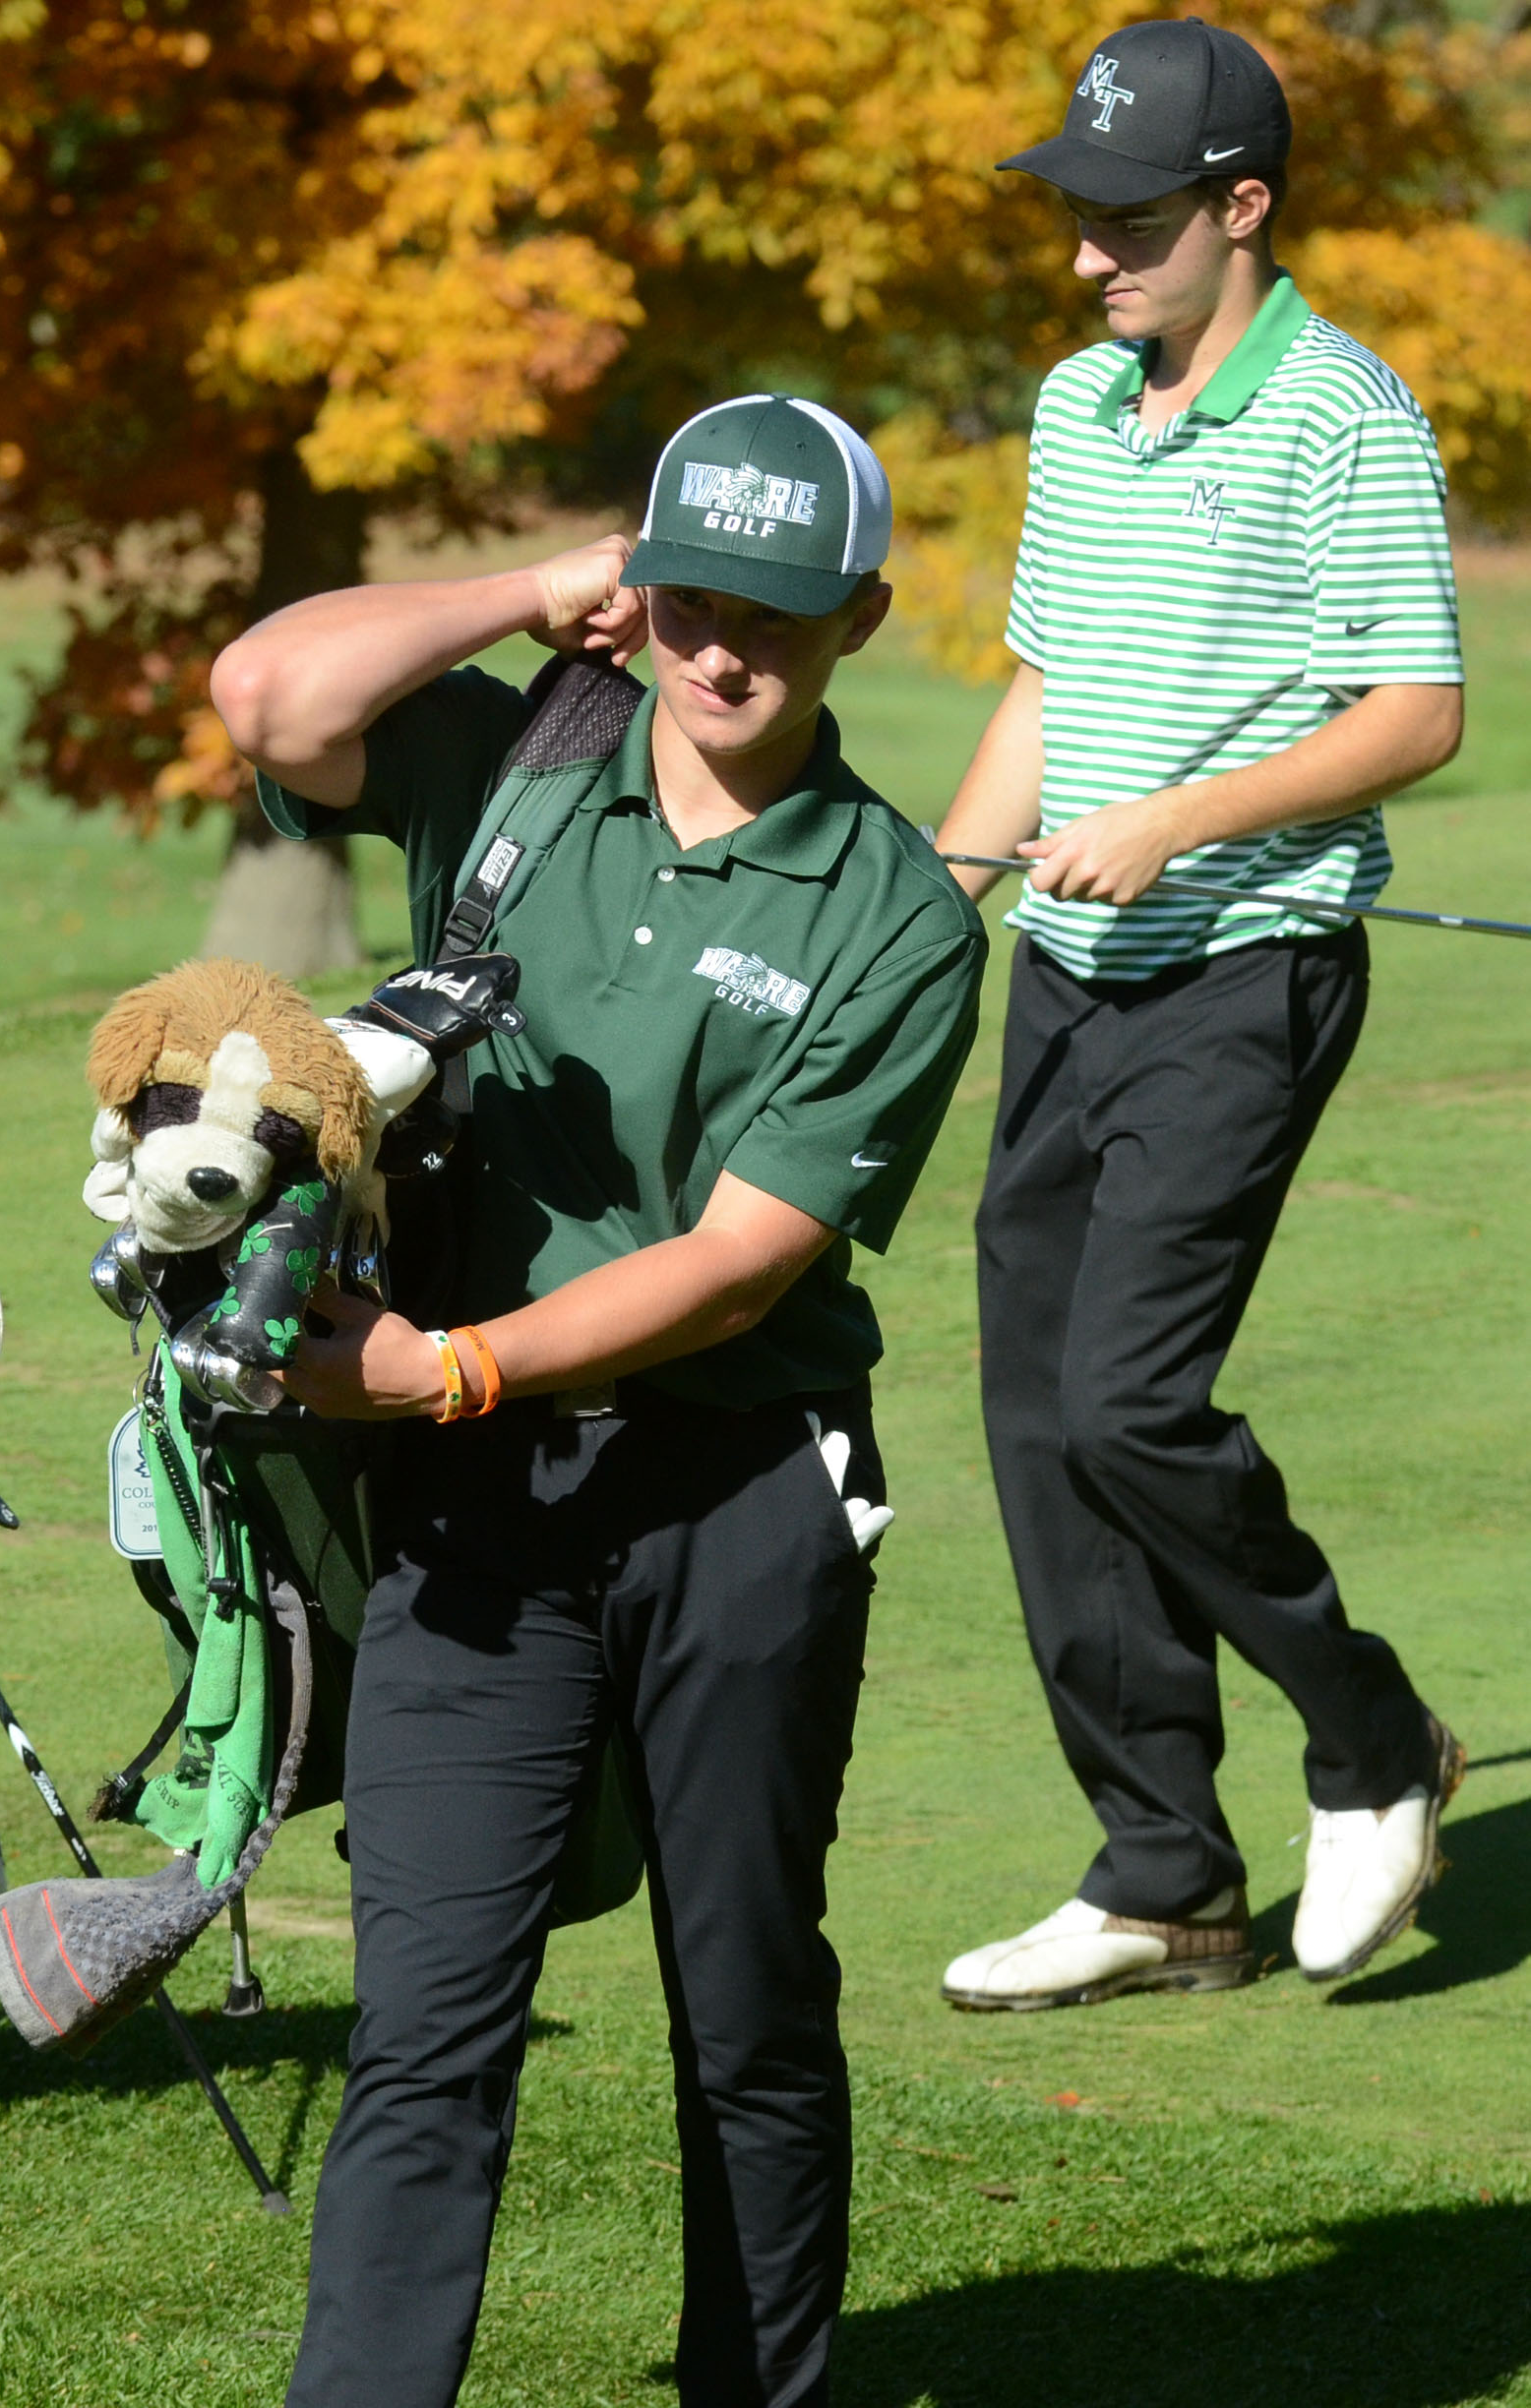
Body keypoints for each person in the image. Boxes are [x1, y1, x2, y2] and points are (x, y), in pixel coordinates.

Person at [210, 393, 985, 2408]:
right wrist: (540, 588)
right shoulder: (518, 755)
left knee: (739, 2002)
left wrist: (439, 1367)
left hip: (739, 1492)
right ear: (644, 589)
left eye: (782, 617)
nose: (727, 652)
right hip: (475, 1509)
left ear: (862, 620)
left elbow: (739, 1260)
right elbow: (269, 692)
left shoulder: (892, 907)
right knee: (431, 2018)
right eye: (692, 600)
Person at [937, 18, 1465, 2014]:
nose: (1087, 257)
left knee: (1128, 1404)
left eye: (1127, 221)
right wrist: (949, 887)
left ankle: (1367, 1728)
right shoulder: (1080, 409)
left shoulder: (1342, 414)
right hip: (1068, 978)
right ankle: (1162, 1873)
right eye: (1073, 216)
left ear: (1242, 208)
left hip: (1245, 975)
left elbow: (1413, 712)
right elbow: (1048, 687)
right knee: (1031, 1425)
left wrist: (1178, 823)